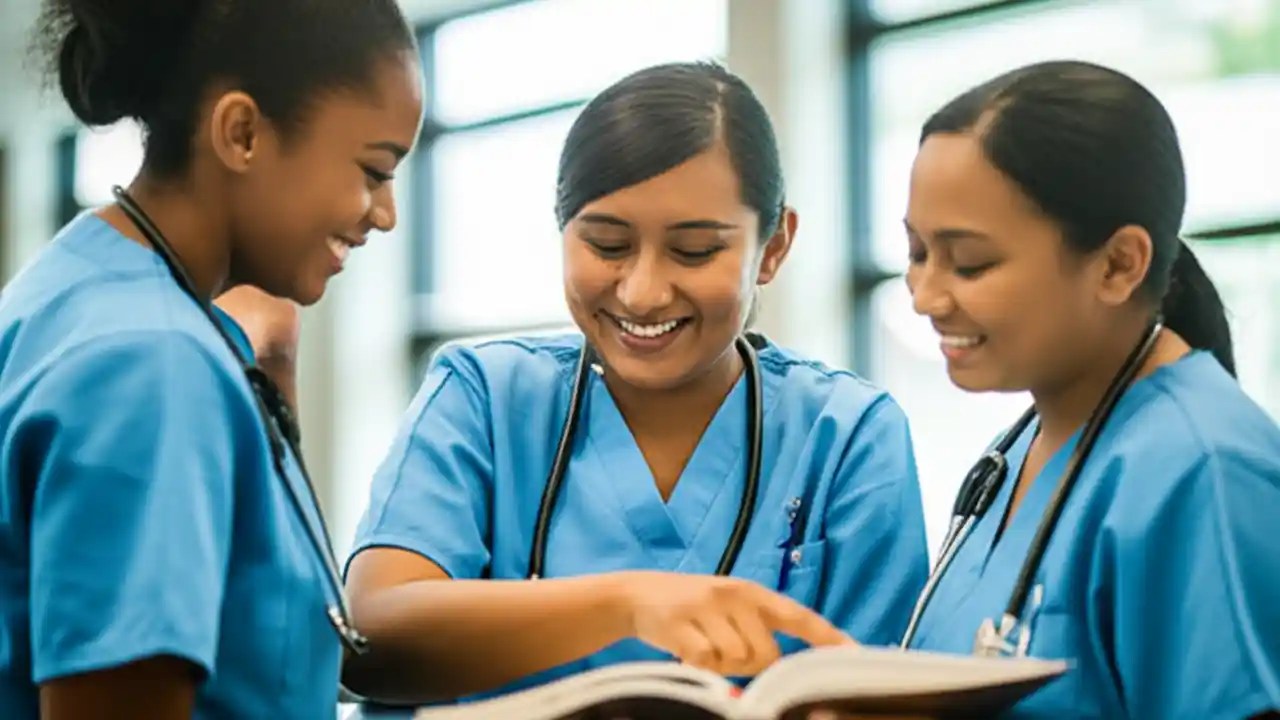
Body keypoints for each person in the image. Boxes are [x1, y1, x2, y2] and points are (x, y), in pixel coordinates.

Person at [341, 61, 929, 711]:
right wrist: (628, 605)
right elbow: (368, 637)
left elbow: (876, 697)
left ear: (773, 247)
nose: (643, 292)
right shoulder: (483, 397)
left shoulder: (846, 435)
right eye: (607, 245)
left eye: (695, 251)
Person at [0, 1, 423, 717]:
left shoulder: (77, 291)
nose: (385, 213)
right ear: (242, 133)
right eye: (373, 169)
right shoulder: (152, 365)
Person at [898, 60, 1280, 718]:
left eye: (970, 263)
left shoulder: (1204, 470)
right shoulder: (1013, 455)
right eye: (916, 252)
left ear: (1117, 264)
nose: (925, 297)